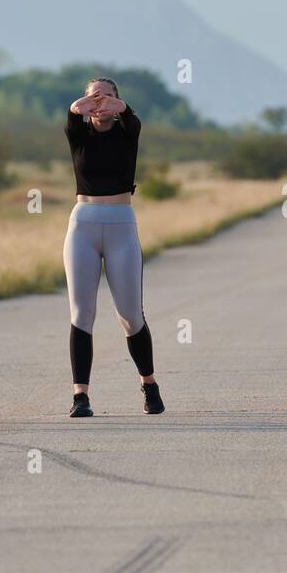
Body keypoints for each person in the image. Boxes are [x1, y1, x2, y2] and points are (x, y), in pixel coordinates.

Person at [63, 77, 165, 417]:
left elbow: (133, 120)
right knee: (82, 314)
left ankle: (148, 383)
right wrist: (81, 104)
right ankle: (81, 396)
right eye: (94, 97)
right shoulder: (79, 133)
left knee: (130, 316)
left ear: (118, 103)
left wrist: (119, 105)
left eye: (107, 97)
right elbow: (71, 116)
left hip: (121, 224)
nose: (100, 103)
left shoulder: (127, 132)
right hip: (83, 225)